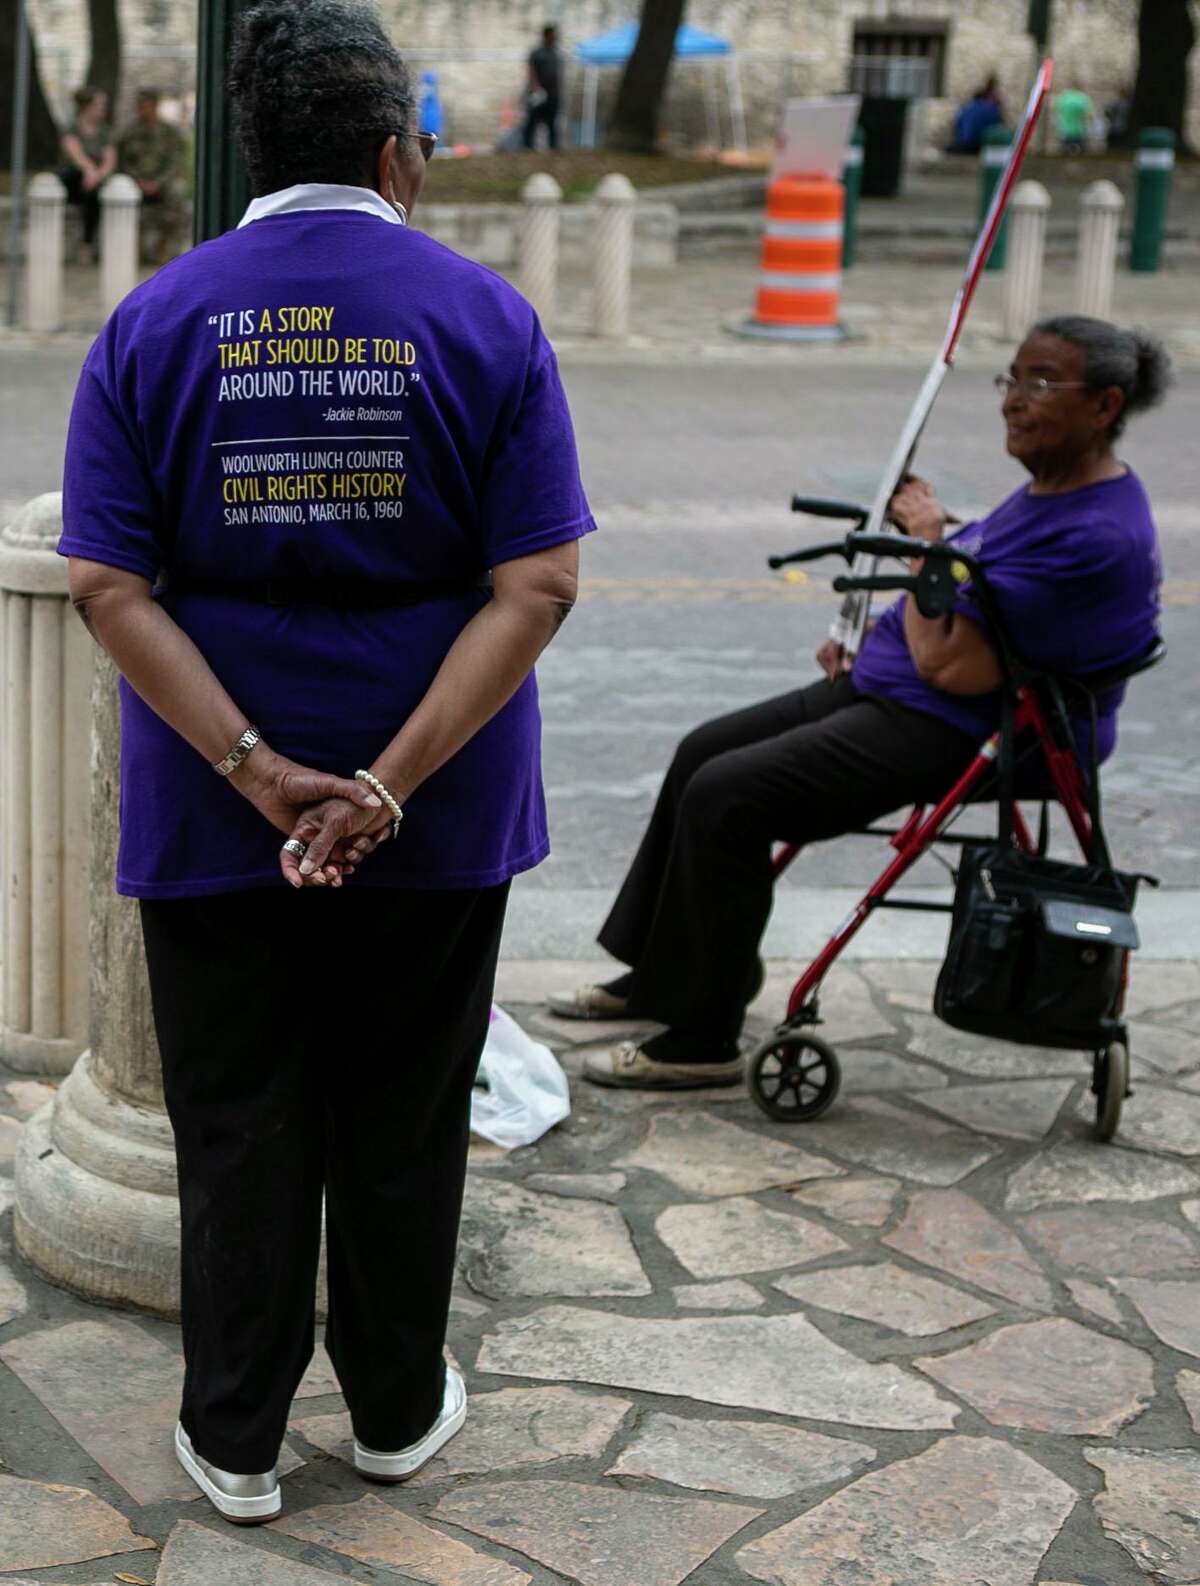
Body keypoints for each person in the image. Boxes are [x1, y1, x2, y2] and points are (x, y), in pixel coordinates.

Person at [60, 0, 592, 1526]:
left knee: (235, 1112)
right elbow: (537, 582)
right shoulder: (486, 318)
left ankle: (232, 1437)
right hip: (437, 808)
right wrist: (386, 785)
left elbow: (109, 583)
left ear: (252, 152)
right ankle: (396, 1408)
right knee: (406, 1107)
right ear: (392, 152)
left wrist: (253, 767)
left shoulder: (156, 320)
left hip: (214, 802)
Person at [550, 317, 1168, 1091]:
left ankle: (703, 1039)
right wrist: (912, 590)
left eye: (1040, 382)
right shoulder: (1051, 485)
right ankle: (665, 977)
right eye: (1011, 378)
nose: (1013, 400)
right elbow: (965, 599)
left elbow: (950, 664)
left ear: (1106, 405)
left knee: (728, 795)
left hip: (978, 729)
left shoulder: (1094, 534)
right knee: (701, 751)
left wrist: (923, 547)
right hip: (908, 692)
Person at [118, 88, 187, 264]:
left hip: (161, 184)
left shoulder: (169, 132)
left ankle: (167, 251)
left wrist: (158, 182)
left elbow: (175, 162)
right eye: (141, 106)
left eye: (148, 106)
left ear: (155, 106)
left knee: (177, 194)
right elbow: (123, 163)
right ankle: (134, 253)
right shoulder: (129, 133)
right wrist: (138, 181)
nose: (144, 110)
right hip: (136, 183)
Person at [59, 87, 116, 264]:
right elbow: (75, 154)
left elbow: (109, 161)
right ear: (86, 107)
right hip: (74, 179)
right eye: (98, 106)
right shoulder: (71, 128)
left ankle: (87, 244)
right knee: (77, 177)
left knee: (93, 193)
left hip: (95, 182)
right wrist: (89, 170)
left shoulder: (104, 132)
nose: (102, 110)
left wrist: (97, 175)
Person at [523, 24, 562, 150]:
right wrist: (536, 88)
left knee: (552, 123)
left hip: (553, 94)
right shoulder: (537, 53)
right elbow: (531, 71)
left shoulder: (555, 53)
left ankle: (553, 147)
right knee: (532, 121)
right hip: (539, 94)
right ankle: (528, 146)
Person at [945, 76, 1004, 155]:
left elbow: (956, 126)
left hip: (965, 144)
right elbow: (997, 129)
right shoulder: (991, 109)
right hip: (981, 147)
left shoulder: (967, 107)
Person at [1055, 86, 1093, 154]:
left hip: (1065, 130)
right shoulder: (1082, 98)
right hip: (1079, 130)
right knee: (1081, 153)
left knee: (1064, 153)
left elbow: (1057, 111)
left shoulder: (1064, 98)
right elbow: (1088, 115)